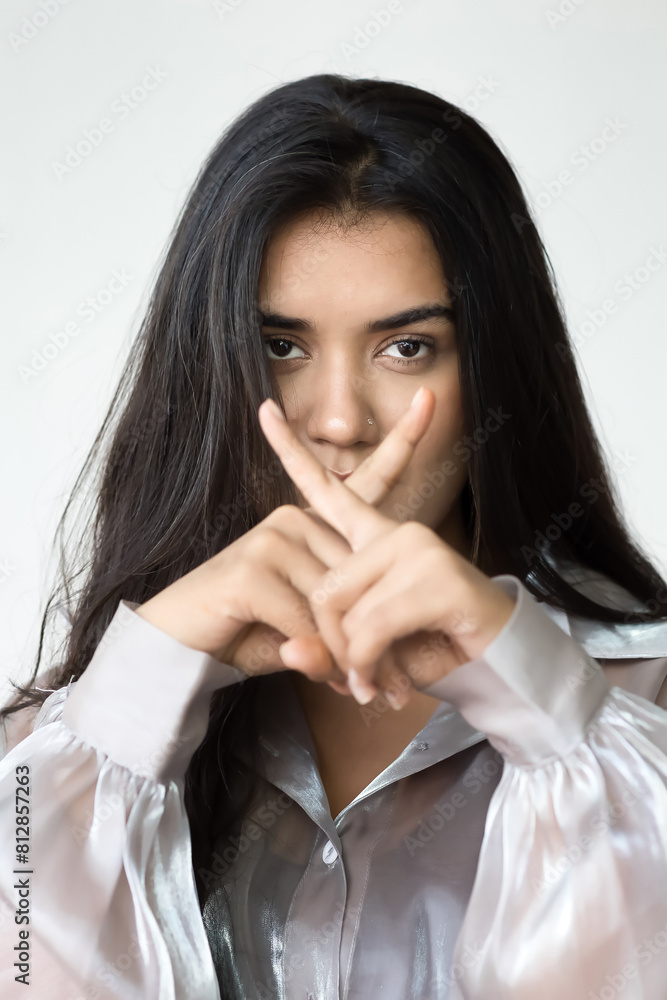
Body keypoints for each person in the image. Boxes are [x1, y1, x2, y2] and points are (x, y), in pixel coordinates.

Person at [1, 73, 667, 1000]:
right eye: (281, 346)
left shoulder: (645, 706)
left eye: (406, 347)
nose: (342, 423)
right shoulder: (57, 754)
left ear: (495, 371)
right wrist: (134, 704)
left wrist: (551, 716)